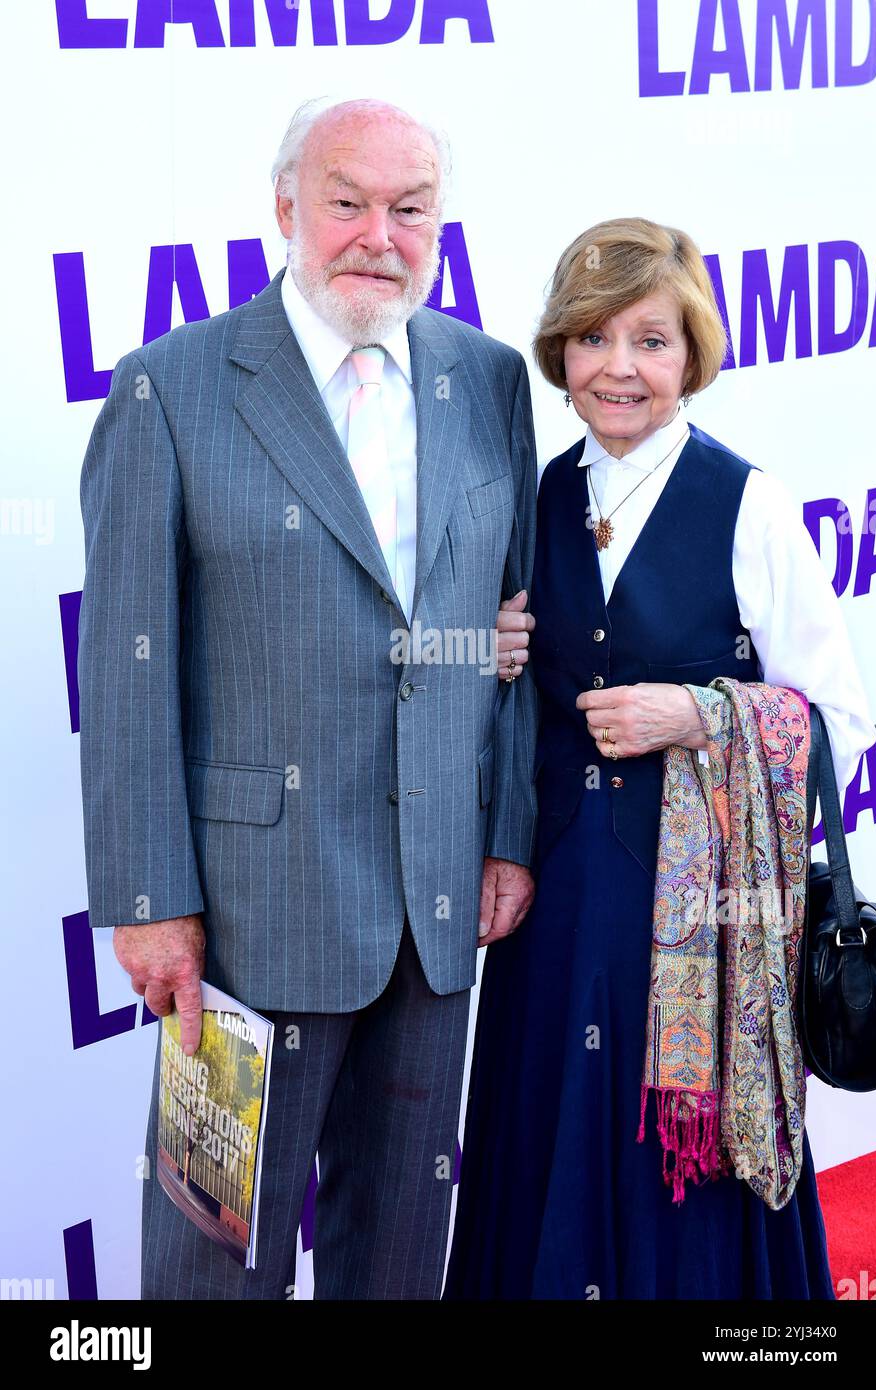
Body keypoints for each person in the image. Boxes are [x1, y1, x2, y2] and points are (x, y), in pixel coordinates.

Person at [77, 96, 538, 1300]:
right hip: (239, 923)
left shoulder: (485, 382)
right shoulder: (168, 389)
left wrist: (502, 833)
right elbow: (125, 668)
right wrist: (146, 900)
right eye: (346, 202)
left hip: (435, 910)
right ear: (284, 206)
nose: (377, 235)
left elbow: (507, 631)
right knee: (208, 1259)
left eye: (410, 208)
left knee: (395, 1254)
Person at [446, 216, 876, 1300]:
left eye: (649, 340)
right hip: (551, 907)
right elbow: (495, 701)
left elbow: (835, 720)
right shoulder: (532, 494)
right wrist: (486, 651)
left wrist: (698, 714)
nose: (619, 369)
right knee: (542, 1143)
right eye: (591, 340)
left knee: (671, 1173)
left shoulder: (748, 505)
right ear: (559, 354)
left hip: (702, 931)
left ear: (691, 353)